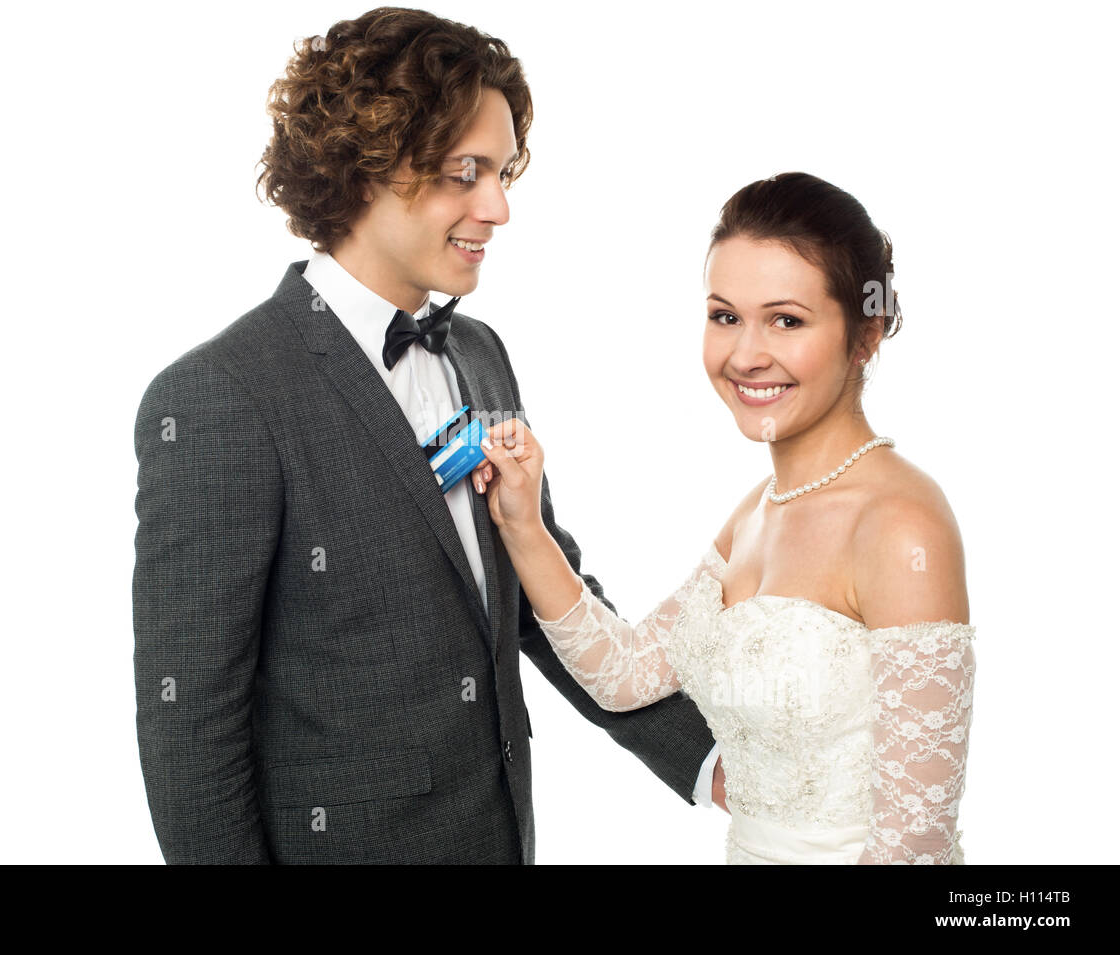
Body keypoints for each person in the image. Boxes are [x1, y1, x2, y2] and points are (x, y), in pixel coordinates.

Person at [131, 6, 720, 865]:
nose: (501, 207)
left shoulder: (477, 354)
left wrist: (710, 761)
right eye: (466, 172)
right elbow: (190, 736)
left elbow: (539, 600)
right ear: (364, 166)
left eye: (505, 170)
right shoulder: (220, 396)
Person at [472, 172, 977, 864]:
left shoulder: (902, 526)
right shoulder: (756, 512)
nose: (745, 354)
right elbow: (624, 673)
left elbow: (913, 845)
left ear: (866, 335)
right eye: (725, 315)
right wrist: (524, 523)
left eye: (787, 320)